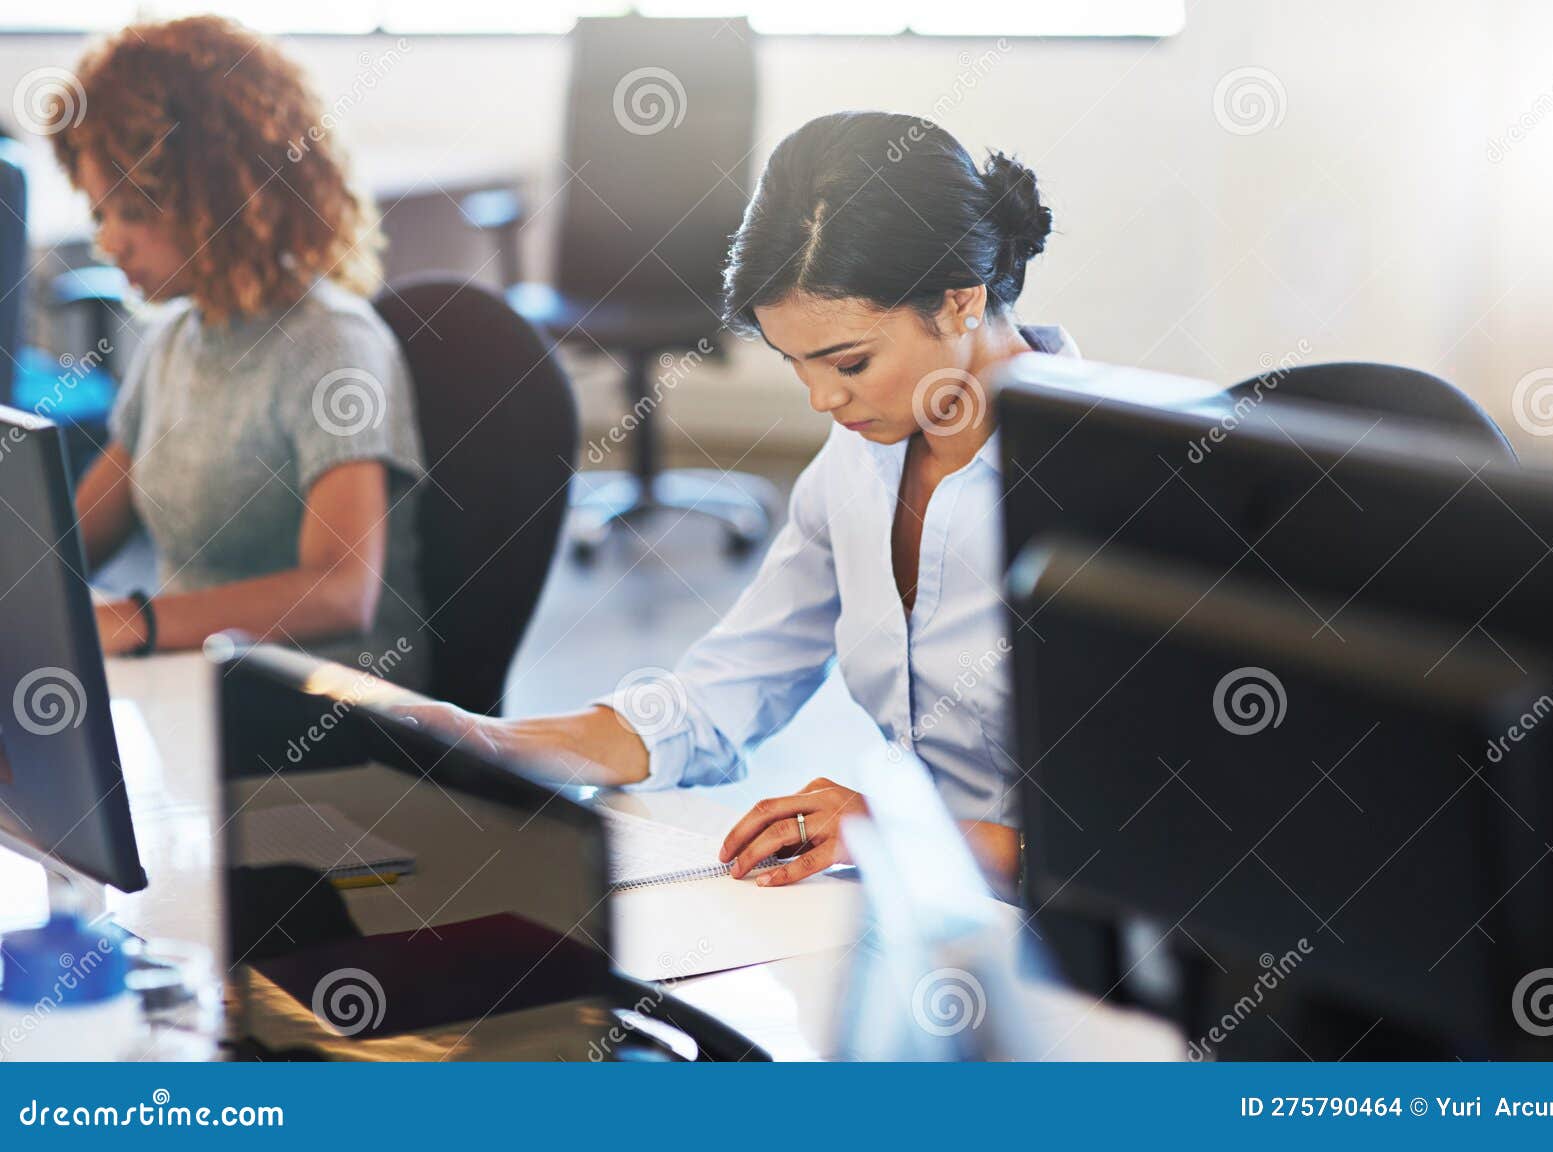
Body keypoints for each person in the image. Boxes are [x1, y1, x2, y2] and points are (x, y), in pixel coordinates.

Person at [410, 111, 1074, 894]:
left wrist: (894, 830)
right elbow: (717, 698)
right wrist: (476, 742)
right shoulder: (859, 461)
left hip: (1084, 952)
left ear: (962, 300)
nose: (823, 399)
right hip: (926, 917)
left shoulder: (1107, 489)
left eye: (849, 362)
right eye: (796, 364)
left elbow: (1170, 844)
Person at [53, 15, 429, 685]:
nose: (110, 243)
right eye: (99, 214)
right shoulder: (172, 341)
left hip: (322, 709)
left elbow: (343, 592)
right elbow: (68, 547)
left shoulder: (331, 345)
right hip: (189, 689)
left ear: (221, 195)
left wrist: (137, 623)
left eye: (132, 213)